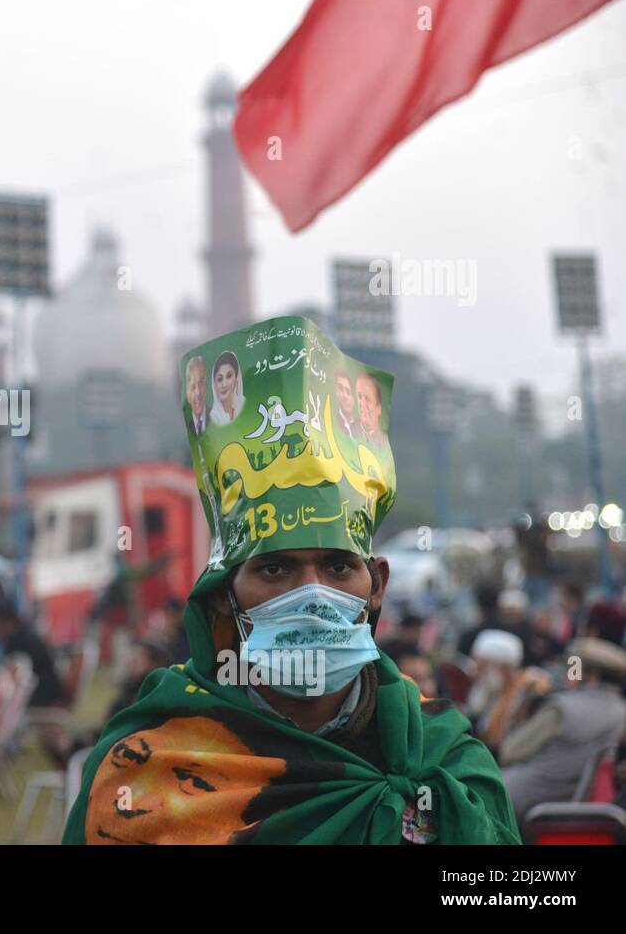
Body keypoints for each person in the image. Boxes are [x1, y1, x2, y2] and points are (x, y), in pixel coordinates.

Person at [66, 316, 518, 844]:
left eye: (337, 566)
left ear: (377, 586)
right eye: (274, 568)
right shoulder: (149, 760)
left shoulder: (443, 758)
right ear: (222, 596)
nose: (310, 593)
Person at [500, 637, 626, 822]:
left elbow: (509, 751)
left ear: (591, 675)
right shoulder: (621, 712)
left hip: (522, 799)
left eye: (573, 668)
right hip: (572, 804)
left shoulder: (562, 707)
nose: (568, 674)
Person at [0, 604, 66, 708]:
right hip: (46, 690)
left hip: (44, 694)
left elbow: (16, 676)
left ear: (8, 623)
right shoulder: (22, 637)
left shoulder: (21, 643)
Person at [208, 350, 244, 426]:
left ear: (236, 378)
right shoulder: (212, 418)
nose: (224, 384)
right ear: (214, 384)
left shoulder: (243, 404)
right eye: (220, 379)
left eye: (229, 376)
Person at [354, 371, 387, 446]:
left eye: (367, 399)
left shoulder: (386, 442)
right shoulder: (349, 430)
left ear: (378, 408)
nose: (362, 404)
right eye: (359, 397)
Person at [333, 368, 364, 441]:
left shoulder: (361, 427)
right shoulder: (333, 418)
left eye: (348, 392)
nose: (345, 396)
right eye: (340, 388)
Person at [185, 356, 210, 435]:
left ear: (206, 387)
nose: (198, 392)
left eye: (201, 383)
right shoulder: (184, 426)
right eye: (193, 387)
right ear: (188, 396)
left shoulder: (218, 419)